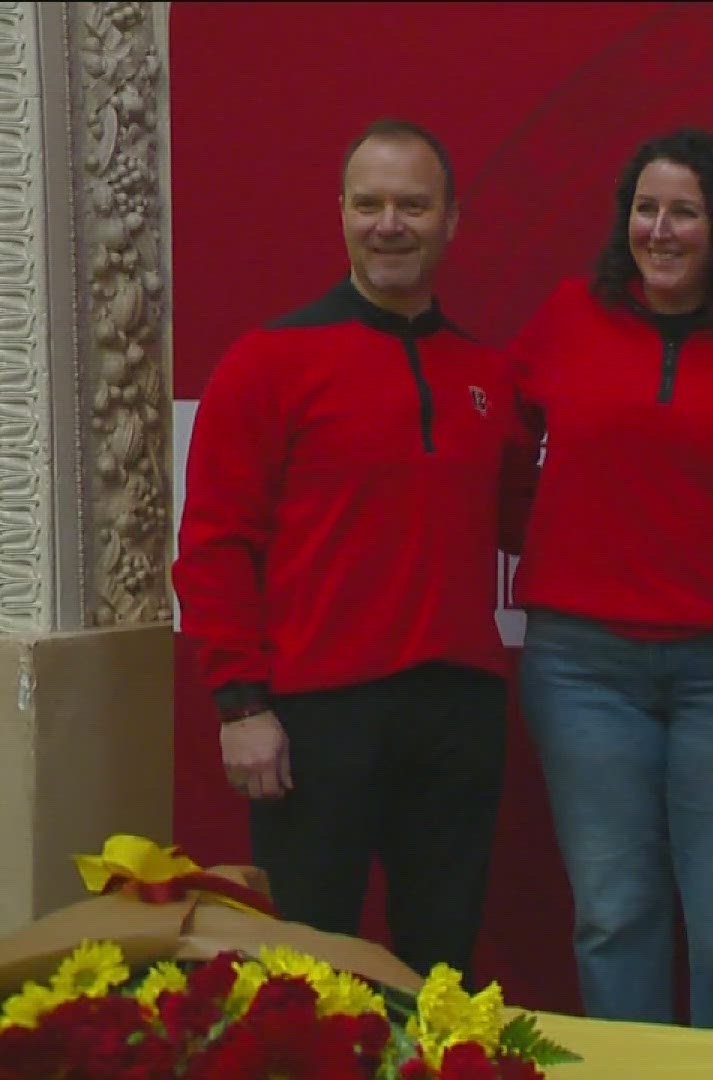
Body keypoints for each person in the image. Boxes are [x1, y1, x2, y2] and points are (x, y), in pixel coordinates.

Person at [174, 118, 531, 979]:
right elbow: (215, 543)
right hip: (313, 718)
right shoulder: (267, 363)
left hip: (457, 708)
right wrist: (240, 705)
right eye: (369, 203)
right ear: (339, 214)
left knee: (444, 965)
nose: (390, 223)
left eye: (413, 204)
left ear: (452, 221)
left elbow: (537, 521)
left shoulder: (489, 376)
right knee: (306, 967)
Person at [508, 128, 713, 1029]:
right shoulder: (568, 317)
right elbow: (493, 457)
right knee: (615, 917)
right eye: (646, 209)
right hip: (582, 668)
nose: (662, 229)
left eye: (685, 211)